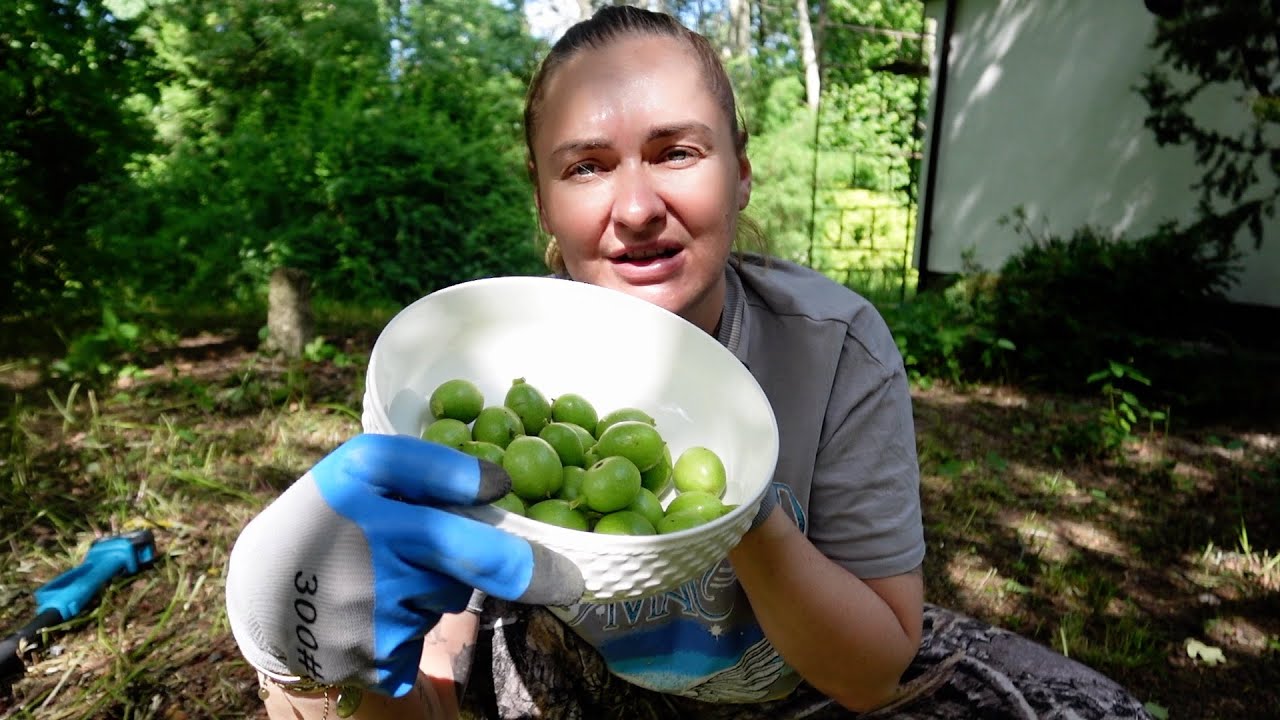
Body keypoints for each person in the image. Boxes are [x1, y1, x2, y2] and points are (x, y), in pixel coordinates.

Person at [225, 6, 1153, 719]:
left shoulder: (832, 349)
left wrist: (741, 517)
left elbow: (873, 673)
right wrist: (303, 656)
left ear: (741, 174)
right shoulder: (473, 365)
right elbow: (420, 703)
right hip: (564, 661)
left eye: (677, 151)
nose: (634, 207)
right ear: (544, 205)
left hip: (796, 684)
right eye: (586, 166)